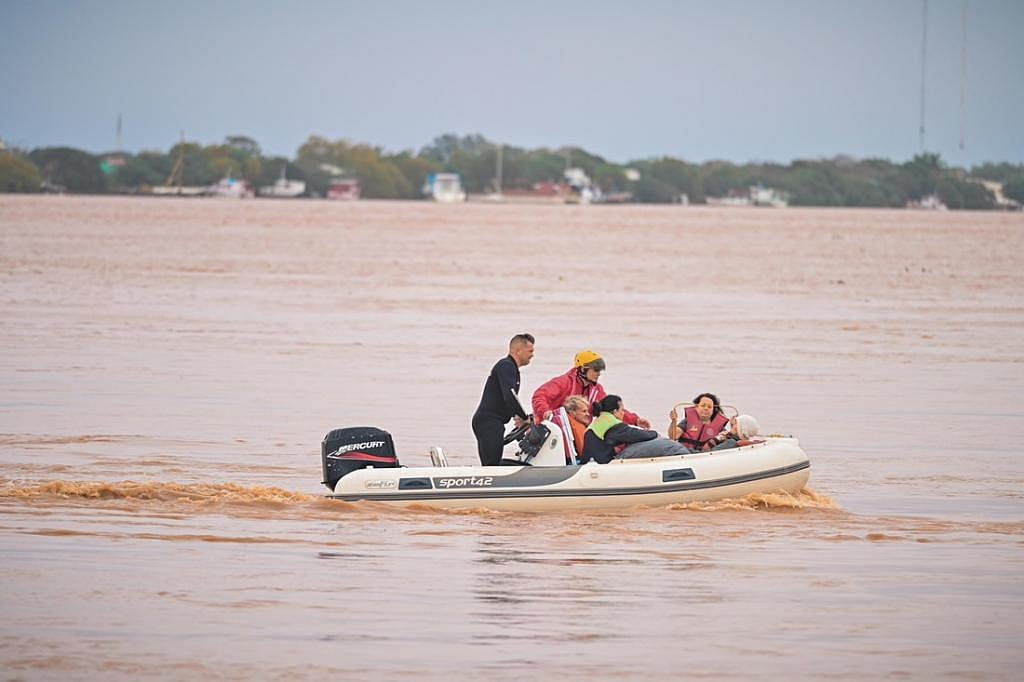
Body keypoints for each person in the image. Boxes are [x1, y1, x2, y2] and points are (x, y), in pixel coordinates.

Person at [532, 350, 651, 428]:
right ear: (583, 369)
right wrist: (545, 412)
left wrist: (636, 420)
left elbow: (613, 409)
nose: (599, 374)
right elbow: (539, 396)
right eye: (595, 370)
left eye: (600, 371)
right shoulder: (563, 382)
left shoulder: (597, 390)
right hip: (553, 430)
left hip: (576, 431)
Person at [472, 333, 535, 466]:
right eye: (530, 351)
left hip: (493, 422)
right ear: (518, 351)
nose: (532, 355)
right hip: (488, 422)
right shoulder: (506, 366)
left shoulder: (512, 369)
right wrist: (524, 417)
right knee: (491, 465)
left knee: (491, 463)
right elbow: (509, 396)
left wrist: (517, 416)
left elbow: (506, 398)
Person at [582, 395, 690, 464]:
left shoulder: (600, 421)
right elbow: (634, 435)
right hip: (606, 463)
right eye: (621, 410)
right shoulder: (611, 423)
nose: (623, 413)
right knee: (667, 445)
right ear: (614, 411)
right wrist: (654, 434)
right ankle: (688, 460)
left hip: (596, 461)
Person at [668, 392, 733, 451]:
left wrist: (732, 428)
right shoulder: (687, 421)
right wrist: (673, 421)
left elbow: (728, 441)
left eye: (709, 407)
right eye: (703, 405)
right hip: (685, 453)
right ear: (696, 407)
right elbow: (673, 436)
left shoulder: (719, 426)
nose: (706, 408)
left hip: (705, 456)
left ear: (713, 410)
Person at [561, 395, 591, 460]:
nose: (588, 414)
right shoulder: (576, 427)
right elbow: (585, 453)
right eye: (584, 411)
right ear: (572, 412)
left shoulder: (567, 424)